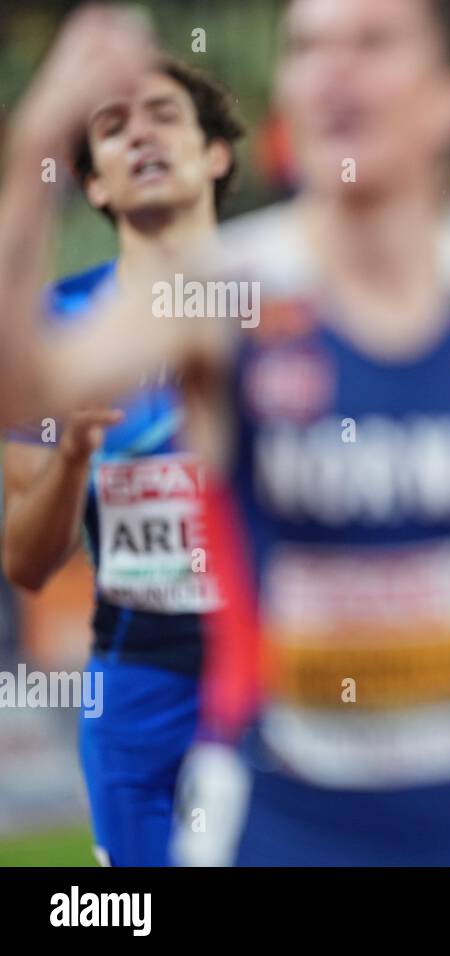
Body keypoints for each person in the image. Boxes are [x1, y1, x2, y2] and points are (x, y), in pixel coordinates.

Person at [0, 0, 450, 866]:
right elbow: (24, 389)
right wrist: (32, 153)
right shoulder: (221, 292)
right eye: (307, 47)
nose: (332, 71)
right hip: (276, 815)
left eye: (371, 43)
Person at [1, 55, 243, 867]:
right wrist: (71, 454)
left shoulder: (289, 301)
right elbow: (27, 563)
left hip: (278, 676)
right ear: (95, 186)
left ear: (216, 155)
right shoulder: (49, 334)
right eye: (110, 126)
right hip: (139, 684)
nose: (139, 132)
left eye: (164, 115)